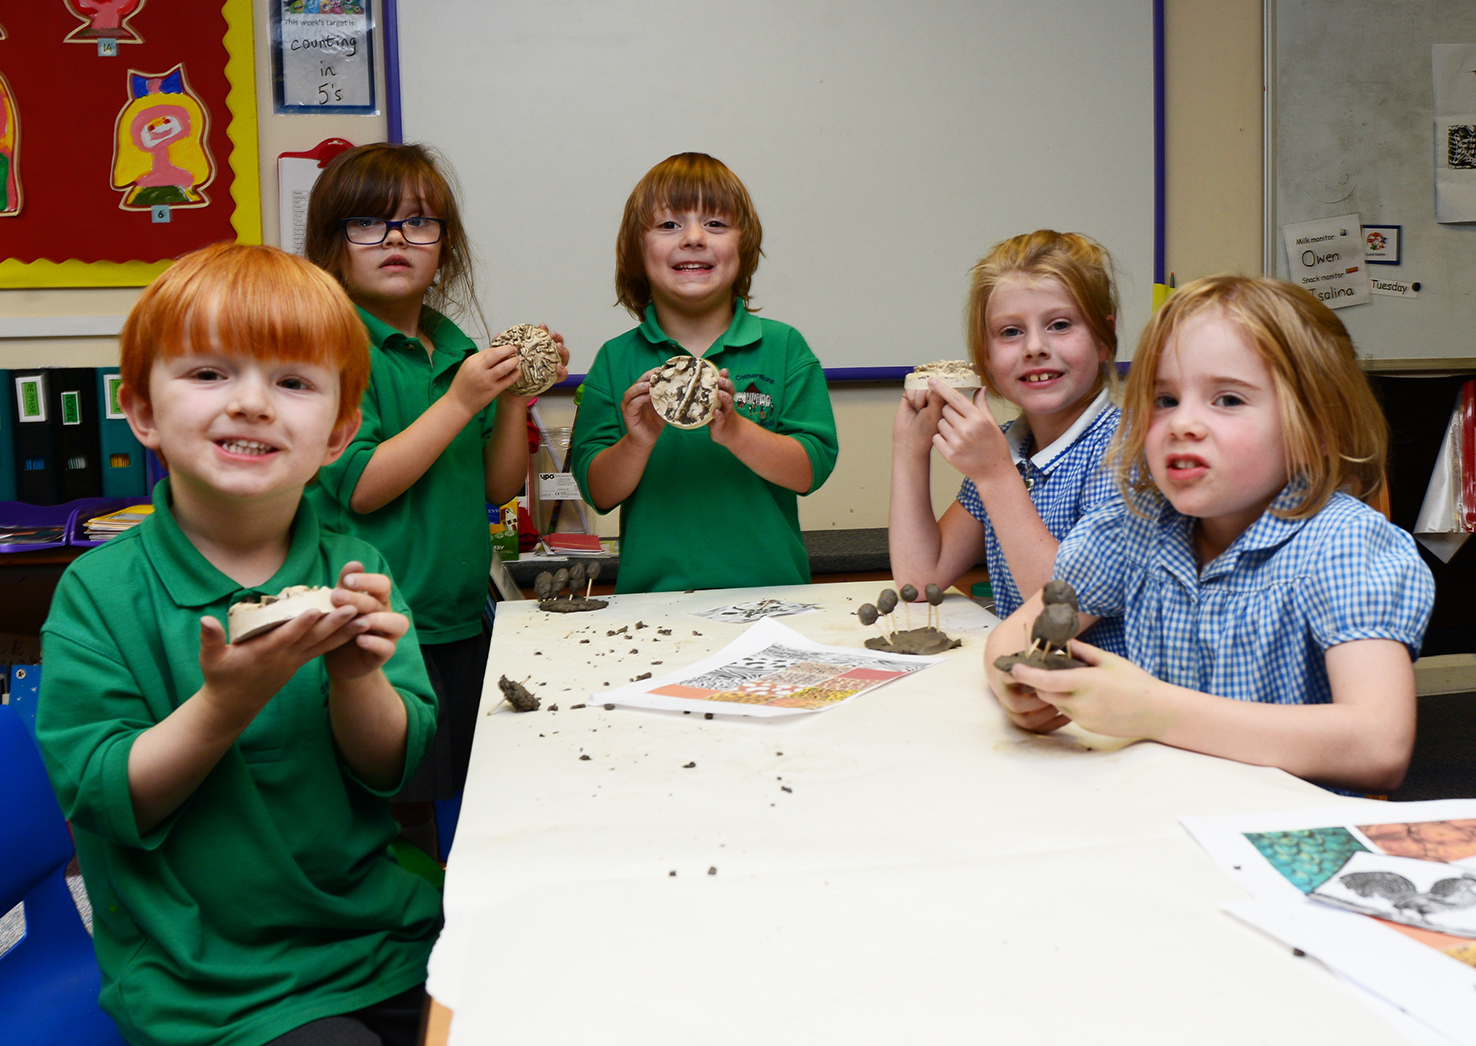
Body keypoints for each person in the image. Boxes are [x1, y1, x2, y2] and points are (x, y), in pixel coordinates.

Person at [35, 243, 441, 1046]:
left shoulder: (357, 568)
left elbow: (393, 767)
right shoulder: (100, 593)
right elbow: (106, 796)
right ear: (142, 411)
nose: (252, 403)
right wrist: (226, 703)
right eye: (210, 373)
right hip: (211, 977)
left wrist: (360, 678)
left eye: (292, 382)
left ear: (338, 433)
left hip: (380, 933)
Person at [984, 275, 1435, 794]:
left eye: (1227, 400)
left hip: (1281, 845)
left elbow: (1379, 744)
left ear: (1317, 427)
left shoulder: (1344, 548)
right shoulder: (1135, 526)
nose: (1184, 424)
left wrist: (1153, 712)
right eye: (1166, 399)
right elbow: (1013, 633)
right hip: (1165, 820)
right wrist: (1015, 682)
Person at [303, 142, 566, 820]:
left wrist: (511, 396)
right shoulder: (330, 350)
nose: (396, 238)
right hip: (378, 633)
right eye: (370, 222)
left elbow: (499, 485)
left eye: (419, 222)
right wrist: (460, 401)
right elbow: (362, 485)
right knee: (391, 817)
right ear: (333, 245)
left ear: (444, 249)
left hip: (457, 622)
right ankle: (409, 926)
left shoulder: (454, 348)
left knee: (465, 804)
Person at [569, 152, 838, 593]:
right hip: (651, 605)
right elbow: (599, 492)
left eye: (715, 224)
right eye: (669, 224)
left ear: (743, 245)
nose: (694, 238)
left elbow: (811, 471)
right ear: (639, 250)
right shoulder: (616, 360)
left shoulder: (785, 348)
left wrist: (736, 431)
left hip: (771, 598)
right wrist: (636, 442)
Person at [890, 229, 1126, 653]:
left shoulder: (1127, 450)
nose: (1035, 347)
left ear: (1103, 339)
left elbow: (1064, 612)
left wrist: (995, 474)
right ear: (985, 358)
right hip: (1024, 694)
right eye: (1010, 332)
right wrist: (910, 451)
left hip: (1102, 707)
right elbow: (919, 582)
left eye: (1060, 325)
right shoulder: (1008, 448)